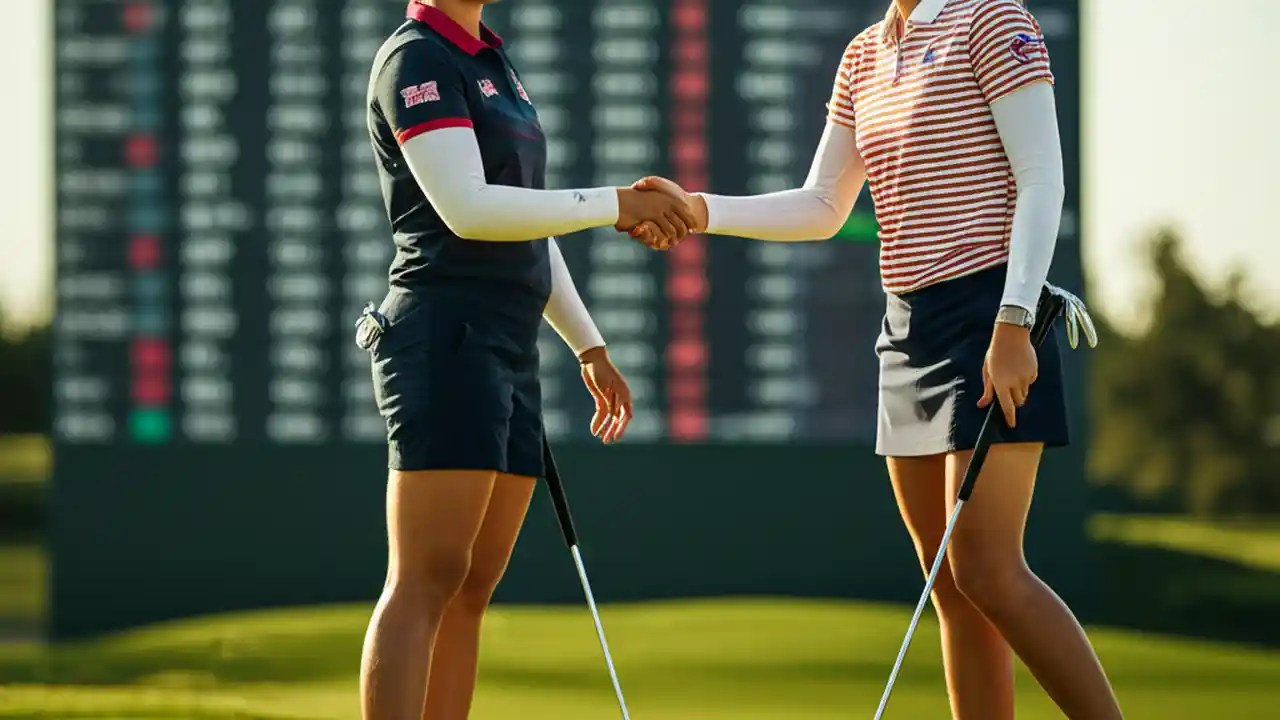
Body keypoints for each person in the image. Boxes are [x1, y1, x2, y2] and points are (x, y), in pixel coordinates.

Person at [630, 0, 1124, 718]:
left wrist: (1014, 322)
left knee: (986, 568)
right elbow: (823, 204)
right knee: (949, 585)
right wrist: (699, 210)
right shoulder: (864, 53)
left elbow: (1043, 178)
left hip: (989, 315)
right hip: (908, 328)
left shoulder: (993, 19)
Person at [356, 2, 695, 718]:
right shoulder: (416, 57)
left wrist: (588, 344)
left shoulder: (494, 63)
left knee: (473, 583)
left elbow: (527, 217)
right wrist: (615, 205)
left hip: (507, 342)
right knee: (427, 575)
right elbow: (470, 210)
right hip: (445, 333)